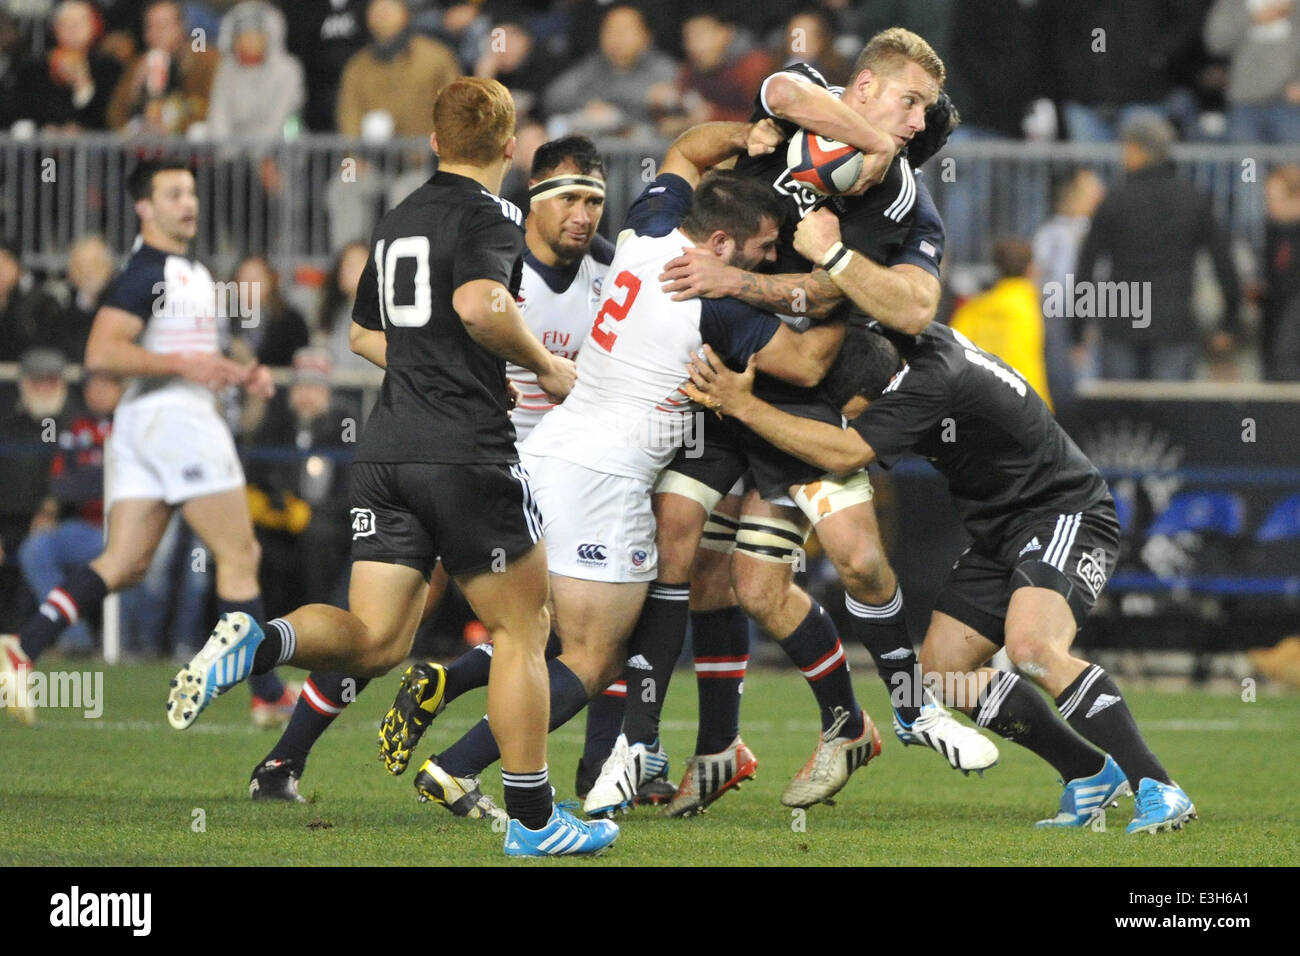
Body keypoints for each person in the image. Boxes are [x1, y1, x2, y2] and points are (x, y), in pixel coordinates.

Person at [169, 77, 617, 857]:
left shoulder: (398, 219)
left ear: (435, 143)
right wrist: (542, 365)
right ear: (511, 148)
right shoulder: (493, 215)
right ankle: (536, 822)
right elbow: (482, 306)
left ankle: (261, 641)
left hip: (385, 449)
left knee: (376, 640)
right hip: (465, 451)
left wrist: (434, 359)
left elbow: (364, 335)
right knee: (523, 629)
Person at [381, 122, 849, 824]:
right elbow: (810, 363)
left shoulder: (647, 229)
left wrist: (751, 134)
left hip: (542, 454)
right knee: (596, 658)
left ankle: (469, 714)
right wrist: (849, 273)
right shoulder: (714, 304)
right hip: (605, 483)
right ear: (718, 248)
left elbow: (689, 149)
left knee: (534, 637)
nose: (770, 260)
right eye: (760, 250)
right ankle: (459, 766)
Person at [593, 29, 996, 820]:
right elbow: (770, 98)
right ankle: (652, 740)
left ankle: (908, 708)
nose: (915, 125)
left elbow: (873, 315)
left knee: (850, 559)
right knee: (685, 547)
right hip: (722, 369)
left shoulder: (902, 203)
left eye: (924, 117)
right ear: (867, 88)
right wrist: (778, 138)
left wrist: (775, 273)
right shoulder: (802, 100)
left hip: (797, 381)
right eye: (907, 103)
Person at [684, 322, 1198, 835]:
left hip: (1064, 512)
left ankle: (1159, 786)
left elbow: (844, 452)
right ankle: (1087, 772)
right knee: (943, 670)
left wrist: (743, 404)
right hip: (999, 528)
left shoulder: (926, 385)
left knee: (1033, 648)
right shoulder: (907, 344)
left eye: (855, 413)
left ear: (874, 395)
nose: (854, 423)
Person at [0, 159, 290, 726]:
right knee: (240, 554)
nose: (189, 202)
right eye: (173, 193)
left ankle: (21, 646)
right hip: (175, 421)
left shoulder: (189, 272)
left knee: (125, 562)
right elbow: (102, 354)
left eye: (192, 192)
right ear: (143, 208)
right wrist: (186, 365)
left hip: (144, 425)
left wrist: (242, 370)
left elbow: (199, 348)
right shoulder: (147, 272)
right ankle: (267, 692)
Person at [1076, 112, 1242, 380]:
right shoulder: (1194, 199)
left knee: (1122, 418)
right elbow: (1224, 262)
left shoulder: (1115, 200)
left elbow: (1086, 264)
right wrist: (1229, 323)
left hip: (1121, 323)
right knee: (1171, 416)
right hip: (1174, 326)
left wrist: (1078, 329)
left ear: (1137, 149)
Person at [18, 370, 121, 656]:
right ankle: (76, 641)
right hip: (89, 528)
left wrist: (89, 479)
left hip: (132, 530)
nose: (98, 391)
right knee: (36, 548)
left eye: (107, 383)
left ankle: (142, 646)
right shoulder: (77, 427)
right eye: (93, 385)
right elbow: (62, 483)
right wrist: (51, 507)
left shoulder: (137, 422)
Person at [542, 5, 682, 139]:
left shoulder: (664, 68)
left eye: (625, 30)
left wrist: (615, 106)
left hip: (650, 155)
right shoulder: (593, 65)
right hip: (603, 153)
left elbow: (677, 108)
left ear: (646, 36)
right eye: (610, 29)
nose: (617, 37)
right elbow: (553, 96)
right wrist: (589, 104)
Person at [949, 237, 1052, 409]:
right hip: (1026, 403)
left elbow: (952, 349)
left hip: (978, 402)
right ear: (1030, 269)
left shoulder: (972, 309)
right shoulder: (1028, 303)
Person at [335, 0, 459, 140]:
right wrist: (355, 155)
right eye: (376, 10)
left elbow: (455, 108)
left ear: (405, 14)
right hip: (372, 157)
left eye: (388, 9)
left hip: (427, 155)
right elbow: (349, 116)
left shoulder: (436, 58)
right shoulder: (357, 67)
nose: (381, 15)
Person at [106, 0, 219, 135]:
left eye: (163, 26)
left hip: (193, 149)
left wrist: (176, 122)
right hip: (150, 150)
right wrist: (134, 88)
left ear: (181, 27)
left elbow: (213, 109)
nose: (156, 33)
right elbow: (114, 118)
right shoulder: (138, 64)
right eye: (150, 27)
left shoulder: (205, 60)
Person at [19, 0, 123, 131]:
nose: (72, 31)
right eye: (65, 24)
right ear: (55, 28)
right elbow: (27, 111)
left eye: (78, 24)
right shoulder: (36, 68)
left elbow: (108, 116)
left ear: (93, 26)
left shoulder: (108, 68)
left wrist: (84, 86)